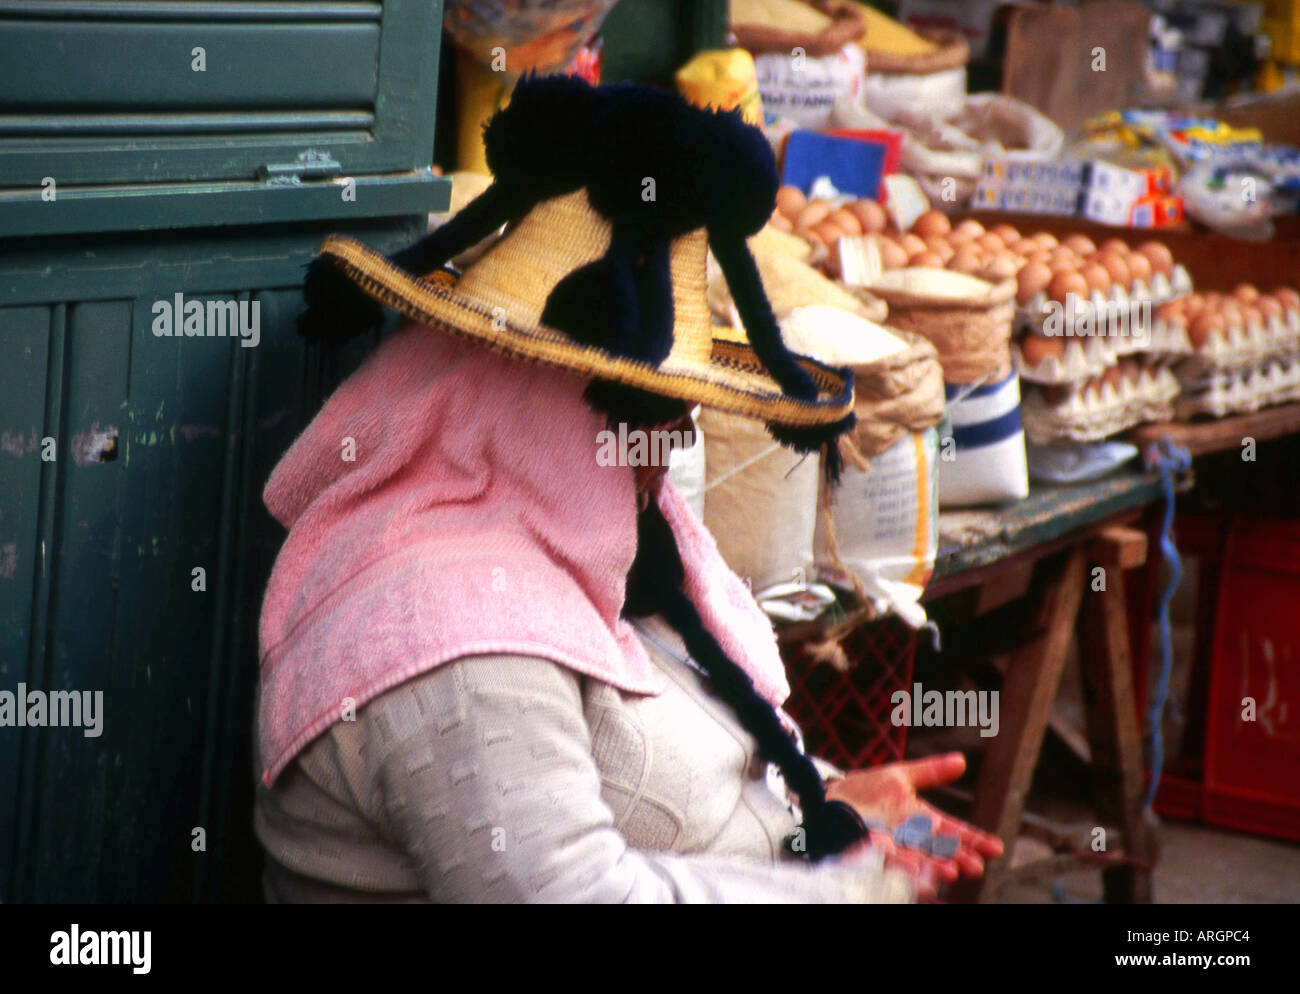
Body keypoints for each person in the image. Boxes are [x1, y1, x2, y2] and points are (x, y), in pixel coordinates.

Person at [253, 74, 1001, 903]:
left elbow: (688, 760)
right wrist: (857, 891)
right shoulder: (452, 637)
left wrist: (819, 804)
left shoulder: (583, 550)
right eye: (648, 407)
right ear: (526, 404)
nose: (675, 436)